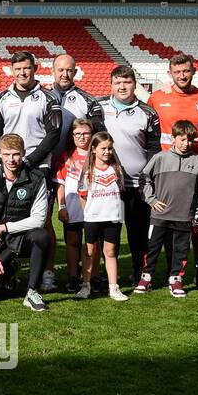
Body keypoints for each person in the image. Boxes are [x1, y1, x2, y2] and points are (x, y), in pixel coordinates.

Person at [0, 50, 63, 291]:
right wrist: (5, 158)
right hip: (8, 166)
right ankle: (10, 271)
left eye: (26, 68)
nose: (22, 72)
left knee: (43, 222)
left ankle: (47, 273)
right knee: (4, 218)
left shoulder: (49, 98)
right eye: (17, 68)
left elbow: (53, 133)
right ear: (12, 70)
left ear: (35, 68)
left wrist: (29, 160)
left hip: (36, 167)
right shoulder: (0, 98)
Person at [147, 54, 198, 290]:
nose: (182, 75)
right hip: (167, 172)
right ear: (170, 73)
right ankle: (173, 269)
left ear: (193, 71)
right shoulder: (156, 99)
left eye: (186, 71)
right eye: (177, 72)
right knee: (167, 222)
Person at [0, 134, 51, 312]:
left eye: (16, 154)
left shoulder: (37, 178)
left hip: (23, 238)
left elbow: (39, 219)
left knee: (42, 236)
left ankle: (32, 291)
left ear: (23, 153)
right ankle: (10, 272)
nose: (11, 159)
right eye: (7, 154)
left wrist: (3, 227)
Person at [100, 65, 161, 286]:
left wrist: (149, 177)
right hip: (107, 184)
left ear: (135, 84)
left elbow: (154, 149)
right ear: (111, 85)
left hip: (138, 184)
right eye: (118, 82)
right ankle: (102, 276)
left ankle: (141, 274)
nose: (122, 86)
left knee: (138, 233)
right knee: (106, 234)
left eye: (127, 82)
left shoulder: (148, 112)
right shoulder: (98, 107)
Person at [137, 120, 198, 298]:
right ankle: (146, 277)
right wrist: (151, 200)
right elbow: (144, 179)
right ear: (173, 138)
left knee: (181, 250)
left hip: (184, 215)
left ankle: (176, 279)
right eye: (182, 139)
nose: (186, 144)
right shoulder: (160, 158)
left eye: (190, 140)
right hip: (159, 214)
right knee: (152, 247)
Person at [74, 131, 129, 302]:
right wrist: (88, 213)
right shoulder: (87, 171)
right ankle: (86, 285)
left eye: (110, 148)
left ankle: (113, 287)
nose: (107, 152)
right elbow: (82, 195)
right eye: (103, 148)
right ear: (93, 150)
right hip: (92, 218)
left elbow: (120, 192)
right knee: (90, 251)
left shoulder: (117, 169)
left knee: (110, 251)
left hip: (112, 217)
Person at [53, 118, 94, 297]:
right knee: (73, 242)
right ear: (72, 136)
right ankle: (72, 277)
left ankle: (93, 277)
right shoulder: (66, 156)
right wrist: (61, 206)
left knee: (92, 245)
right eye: (77, 134)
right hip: (73, 207)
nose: (82, 137)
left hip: (95, 208)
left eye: (85, 133)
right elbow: (60, 184)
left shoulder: (98, 153)